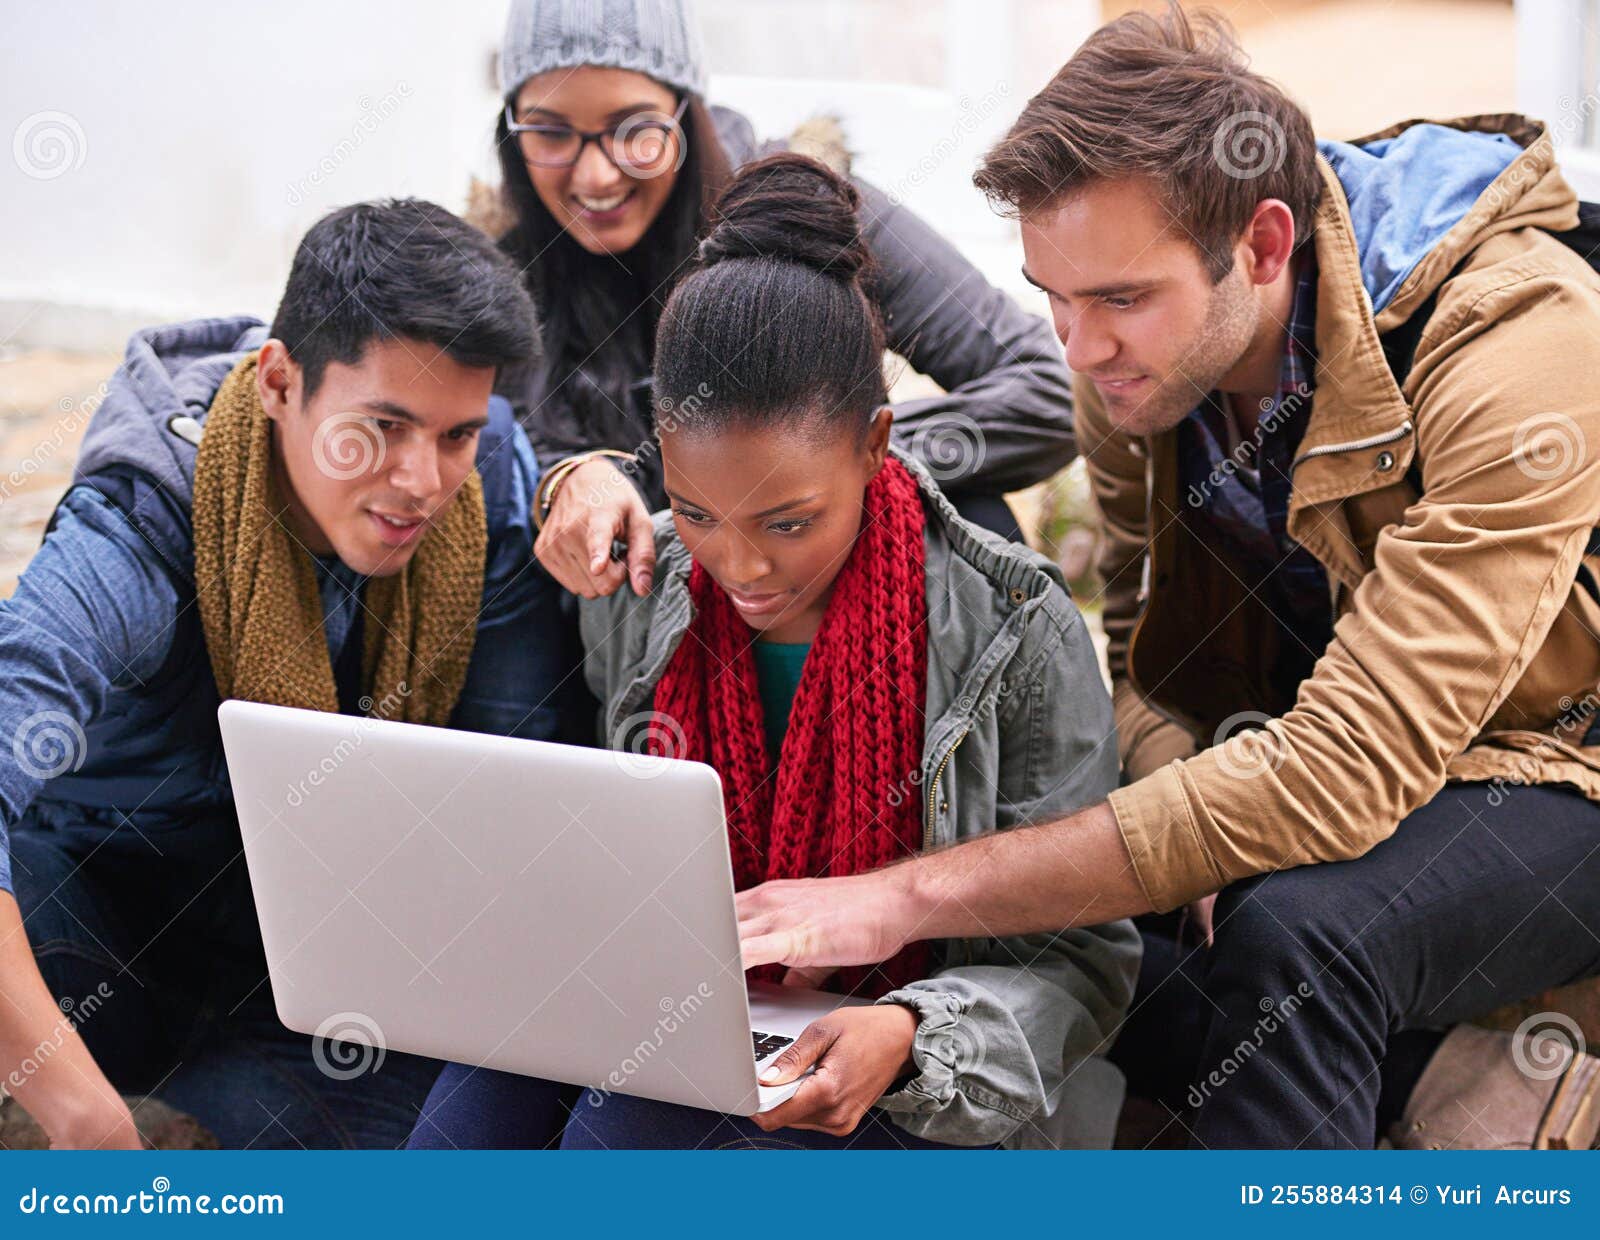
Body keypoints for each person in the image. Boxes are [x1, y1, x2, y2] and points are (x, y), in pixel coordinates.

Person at [734, 6, 1600, 1149]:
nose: (1076, 347)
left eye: (1119, 300)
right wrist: (1189, 792)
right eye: (1053, 293)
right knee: (1065, 945)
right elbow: (1149, 651)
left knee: (1293, 935)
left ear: (1261, 244)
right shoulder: (1130, 374)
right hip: (1314, 749)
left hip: (1558, 767)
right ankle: (1430, 1081)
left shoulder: (1518, 336)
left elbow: (1345, 770)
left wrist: (905, 887)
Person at [408, 155, 1138, 1150]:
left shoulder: (1012, 625)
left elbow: (1082, 959)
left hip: (921, 1086)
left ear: (876, 442)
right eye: (697, 509)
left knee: (611, 1144)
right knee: (465, 1131)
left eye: (790, 520)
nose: (740, 564)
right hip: (688, 1013)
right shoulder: (640, 585)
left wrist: (917, 1035)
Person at [0, 198, 571, 1149]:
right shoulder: (138, 533)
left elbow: (511, 778)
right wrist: (80, 1111)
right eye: (380, 427)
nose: (422, 481)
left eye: (454, 434)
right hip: (108, 931)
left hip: (321, 963)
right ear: (278, 381)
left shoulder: (488, 494)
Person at [491, 0, 1079, 600]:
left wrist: (835, 467)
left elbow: (1045, 390)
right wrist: (565, 483)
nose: (596, 175)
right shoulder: (502, 279)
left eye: (635, 129)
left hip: (852, 597)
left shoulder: (815, 214)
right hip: (645, 624)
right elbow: (489, 455)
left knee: (974, 509)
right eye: (550, 131)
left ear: (688, 112)